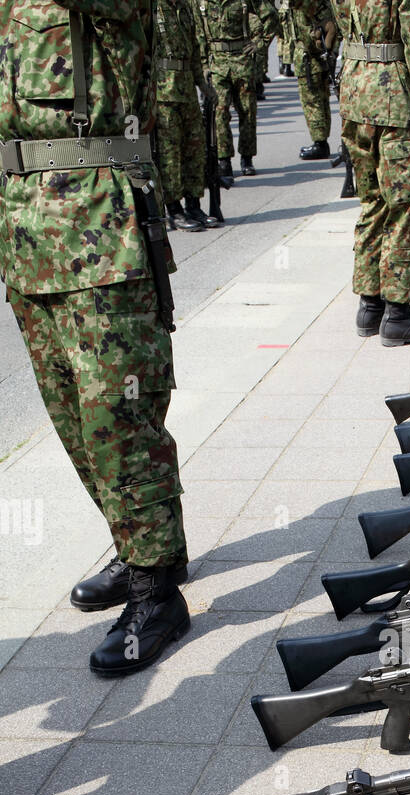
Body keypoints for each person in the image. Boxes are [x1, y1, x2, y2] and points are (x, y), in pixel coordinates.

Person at [0, 2, 191, 676]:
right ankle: (145, 545)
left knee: (118, 414)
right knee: (74, 418)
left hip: (97, 222)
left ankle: (156, 593)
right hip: (26, 228)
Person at [333, 0, 410, 346]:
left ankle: (370, 306)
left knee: (373, 202)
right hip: (394, 97)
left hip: (355, 92)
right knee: (407, 204)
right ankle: (397, 312)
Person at [194, 0, 279, 180]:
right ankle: (224, 160)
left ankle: (247, 158)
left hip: (242, 60)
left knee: (247, 112)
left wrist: (260, 43)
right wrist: (203, 65)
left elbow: (270, 16)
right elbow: (198, 33)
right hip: (217, 63)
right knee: (220, 112)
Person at [156, 0, 216, 231]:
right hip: (163, 91)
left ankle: (194, 204)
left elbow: (195, 48)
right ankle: (174, 210)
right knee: (170, 154)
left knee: (195, 149)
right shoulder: (152, 7)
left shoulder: (184, 6)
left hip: (187, 89)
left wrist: (202, 84)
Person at [276, 0, 338, 159]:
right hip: (311, 54)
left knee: (312, 100)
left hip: (310, 56)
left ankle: (320, 143)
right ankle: (322, 141)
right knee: (320, 99)